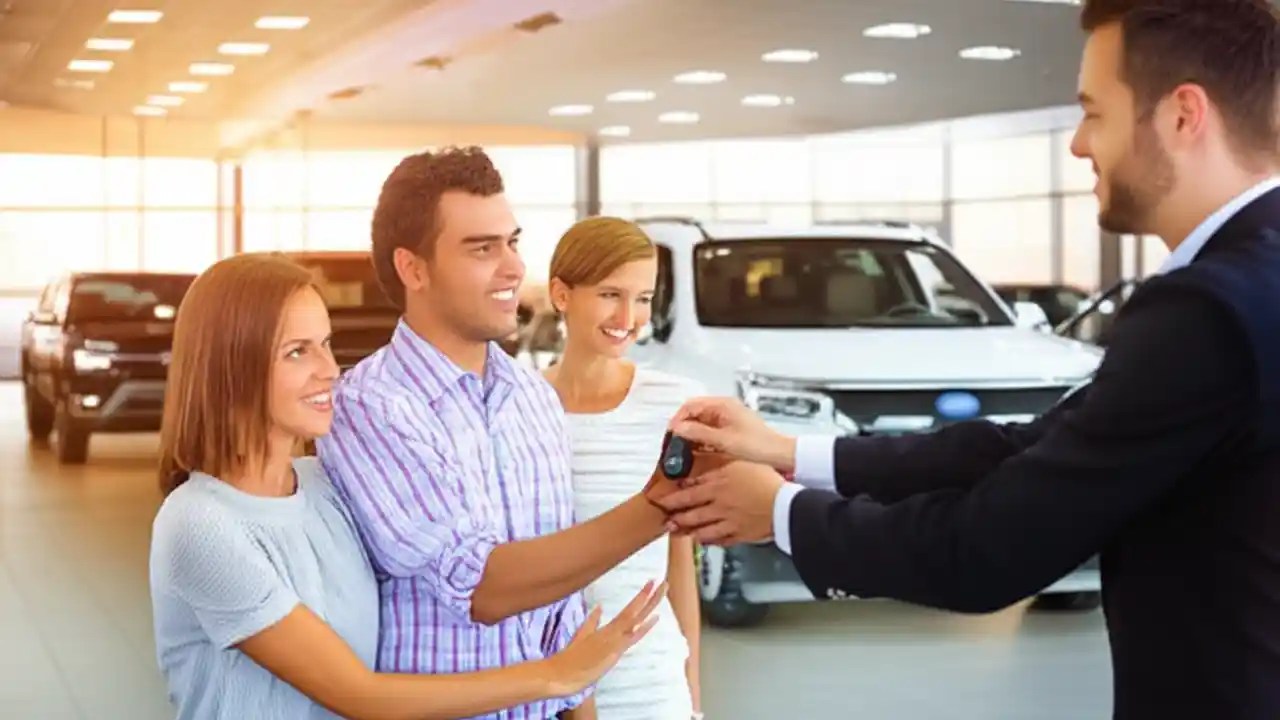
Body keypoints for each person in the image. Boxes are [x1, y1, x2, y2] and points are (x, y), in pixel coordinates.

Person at [653, 1, 1280, 718]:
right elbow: (1026, 446)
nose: (1077, 144)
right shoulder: (1253, 284)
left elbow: (986, 549)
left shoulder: (1208, 311)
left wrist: (781, 512)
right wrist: (792, 452)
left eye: (1094, 112)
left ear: (1182, 115)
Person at [149, 252, 669, 720]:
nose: (329, 370)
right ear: (232, 365)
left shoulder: (324, 487)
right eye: (297, 352)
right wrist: (557, 674)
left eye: (326, 345)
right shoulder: (199, 523)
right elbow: (360, 695)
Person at [315, 147, 719, 720]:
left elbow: (562, 606)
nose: (511, 269)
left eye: (512, 243)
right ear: (414, 269)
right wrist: (663, 504)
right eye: (482, 249)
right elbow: (484, 589)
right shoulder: (372, 405)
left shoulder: (531, 398)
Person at [542, 217, 704, 720]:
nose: (629, 316)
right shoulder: (521, 405)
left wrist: (692, 695)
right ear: (561, 294)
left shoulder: (673, 404)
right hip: (549, 678)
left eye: (643, 298)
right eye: (611, 294)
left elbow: (680, 562)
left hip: (652, 681)